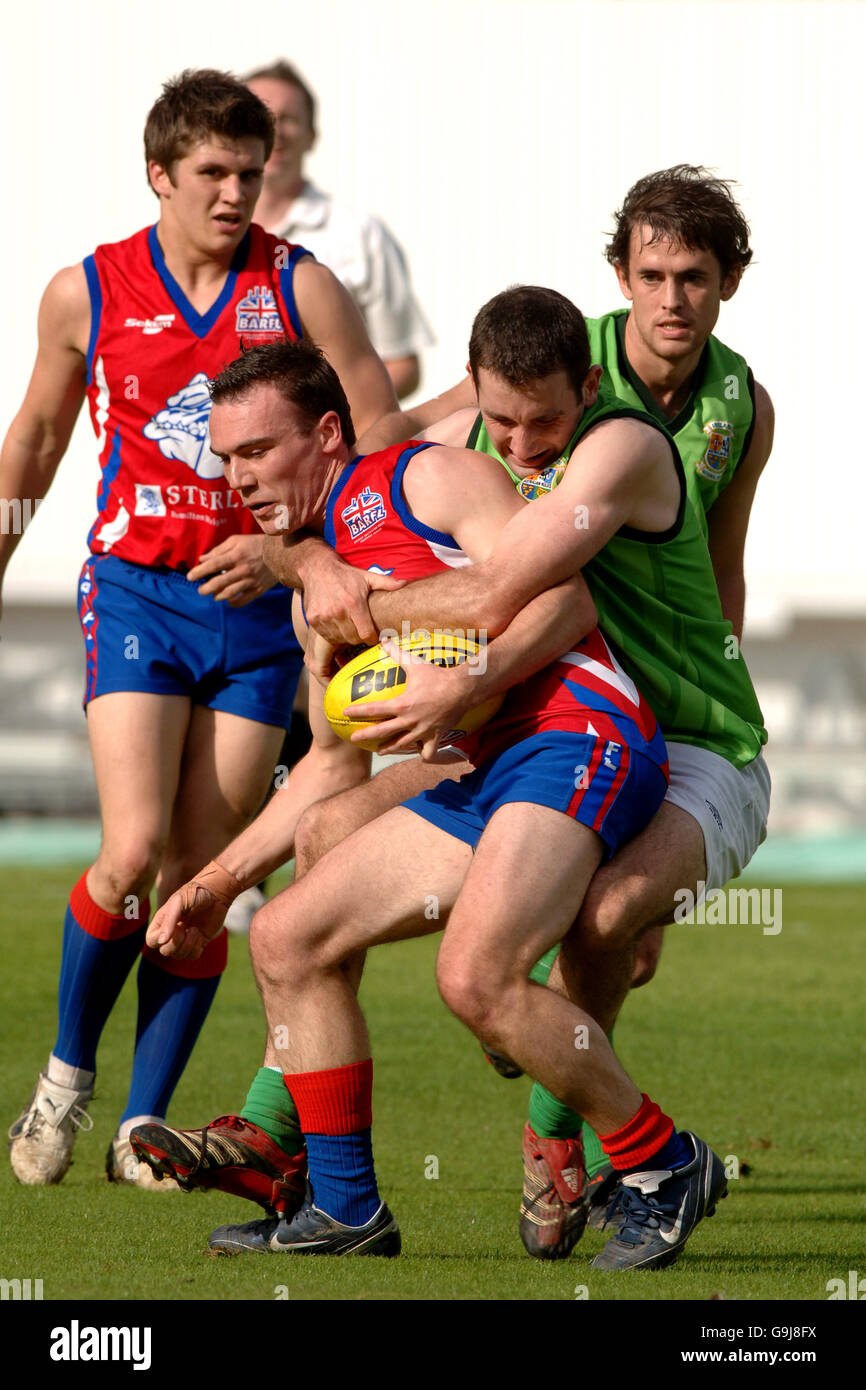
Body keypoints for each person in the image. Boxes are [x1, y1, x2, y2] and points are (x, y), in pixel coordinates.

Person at [138, 339, 728, 1273]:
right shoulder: (313, 593)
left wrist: (460, 674)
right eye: (228, 457)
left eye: (257, 452)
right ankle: (343, 1207)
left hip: (581, 735)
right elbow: (331, 774)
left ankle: (663, 1165)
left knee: (475, 978)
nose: (236, 477)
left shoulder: (427, 476)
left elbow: (565, 602)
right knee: (286, 938)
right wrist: (214, 883)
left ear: (327, 434)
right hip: (487, 769)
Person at [251, 266, 771, 1259]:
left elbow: (506, 590)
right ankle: (343, 1205)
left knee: (540, 946)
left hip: (659, 737)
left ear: (586, 391)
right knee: (286, 931)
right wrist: (301, 557)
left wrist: (351, 600)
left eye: (542, 423)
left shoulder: (618, 445)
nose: (522, 446)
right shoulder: (469, 434)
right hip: (514, 738)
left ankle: (620, 1148)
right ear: (474, 392)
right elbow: (331, 463)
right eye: (501, 421)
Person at [2, 68, 396, 1192]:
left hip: (261, 613)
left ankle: (142, 1124)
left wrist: (309, 558)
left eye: (251, 172)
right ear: (160, 175)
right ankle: (66, 1079)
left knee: (198, 871)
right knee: (128, 852)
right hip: (136, 590)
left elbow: (368, 439)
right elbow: (32, 442)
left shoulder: (302, 290)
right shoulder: (84, 291)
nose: (235, 194)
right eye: (213, 173)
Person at [245, 60, 433, 399]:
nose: (276, 130)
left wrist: (324, 421)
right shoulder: (205, 239)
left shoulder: (359, 234)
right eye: (262, 117)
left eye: (289, 119)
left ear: (312, 136)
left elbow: (402, 363)